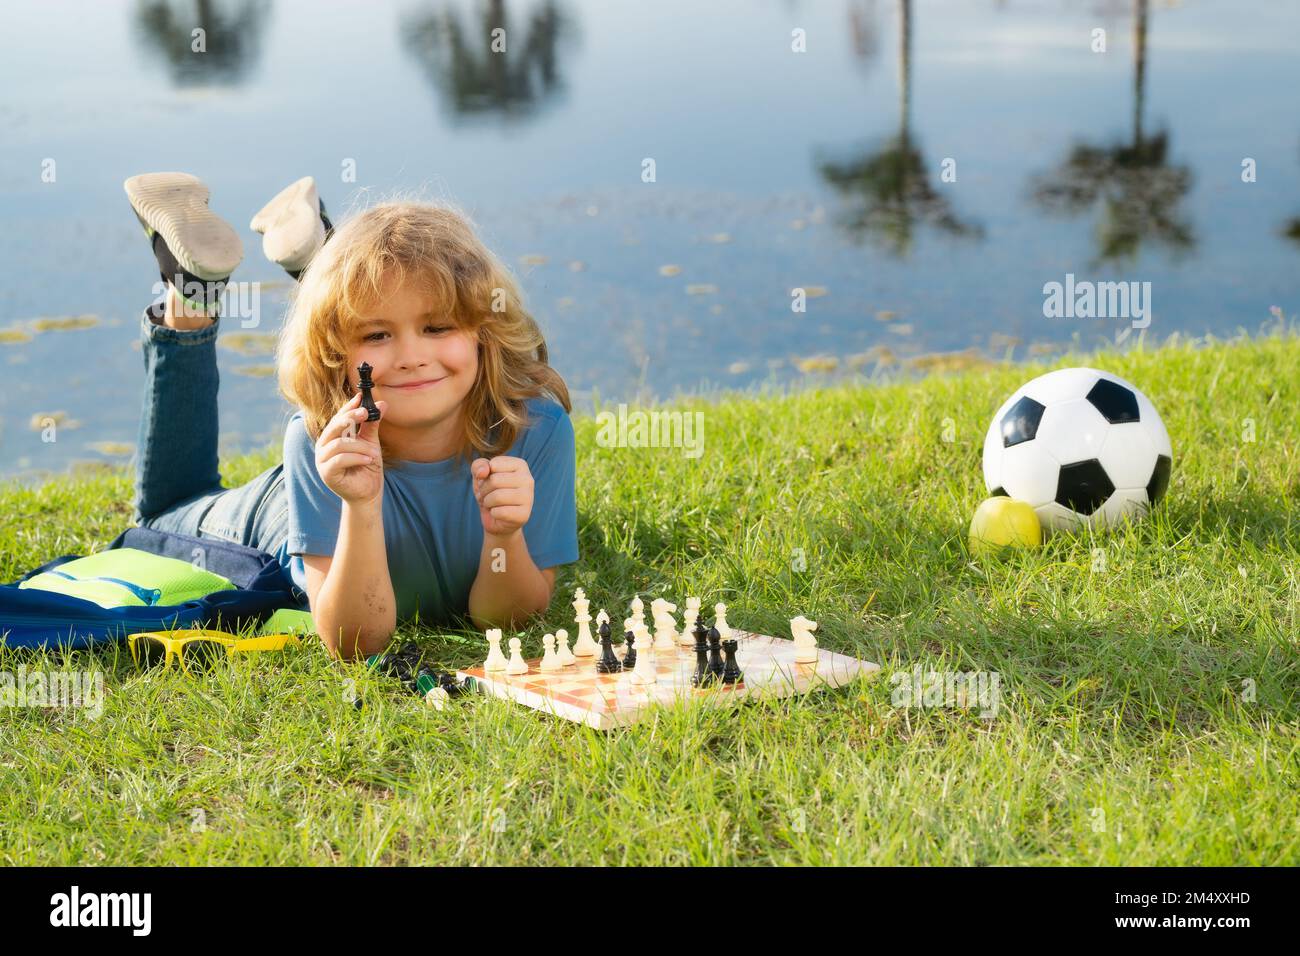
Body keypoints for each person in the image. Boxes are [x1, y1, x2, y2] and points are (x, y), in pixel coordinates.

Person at [124, 172, 577, 660]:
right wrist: (359, 506)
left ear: (484, 331)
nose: (411, 356)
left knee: (363, 303)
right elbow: (356, 643)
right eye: (377, 335)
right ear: (336, 355)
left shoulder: (534, 428)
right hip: (327, 477)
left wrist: (505, 535)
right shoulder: (316, 436)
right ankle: (193, 292)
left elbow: (506, 621)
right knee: (161, 515)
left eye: (438, 326)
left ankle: (318, 259)